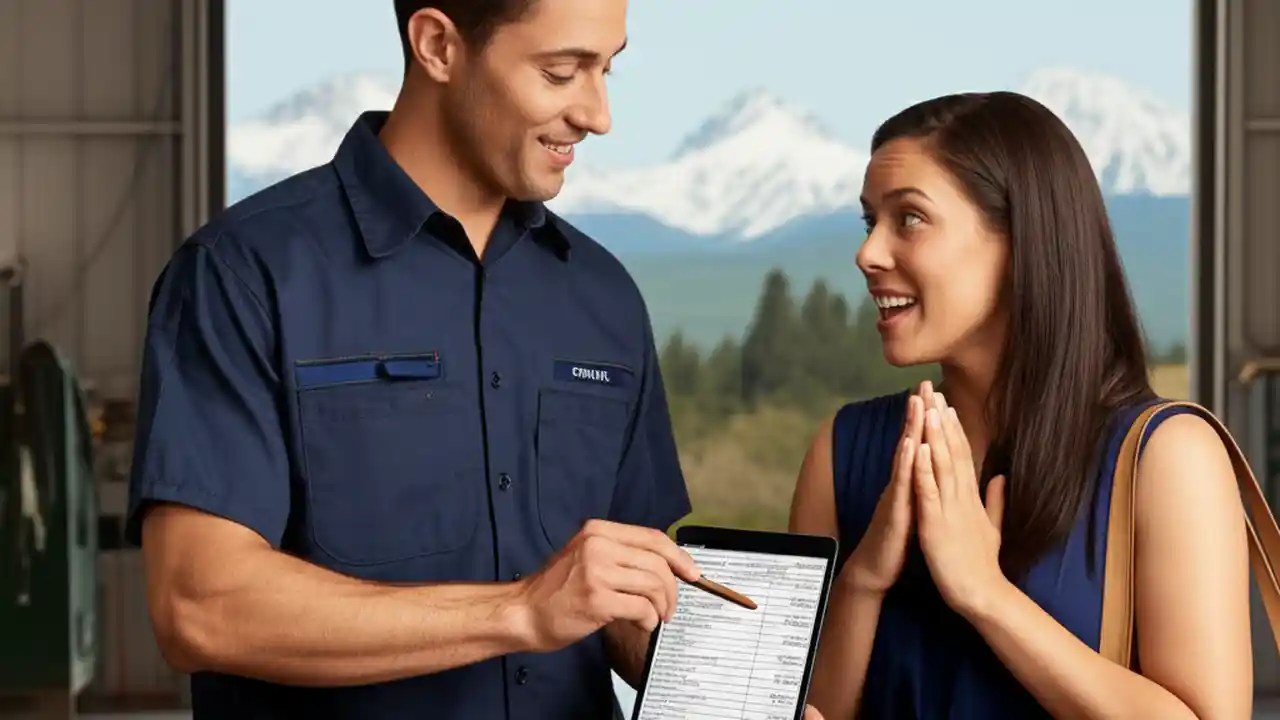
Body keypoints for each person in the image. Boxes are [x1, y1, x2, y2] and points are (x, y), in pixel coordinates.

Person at [126, 1, 711, 718]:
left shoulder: (603, 296)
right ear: (437, 45)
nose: (597, 114)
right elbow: (200, 607)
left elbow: (623, 602)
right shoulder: (243, 275)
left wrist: (731, 685)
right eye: (561, 72)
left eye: (608, 68)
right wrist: (518, 611)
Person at [789, 92, 1253, 719]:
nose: (868, 254)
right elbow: (801, 707)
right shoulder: (842, 451)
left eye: (911, 219)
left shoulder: (1167, 458)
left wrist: (985, 593)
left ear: (1020, 242)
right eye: (870, 222)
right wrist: (866, 578)